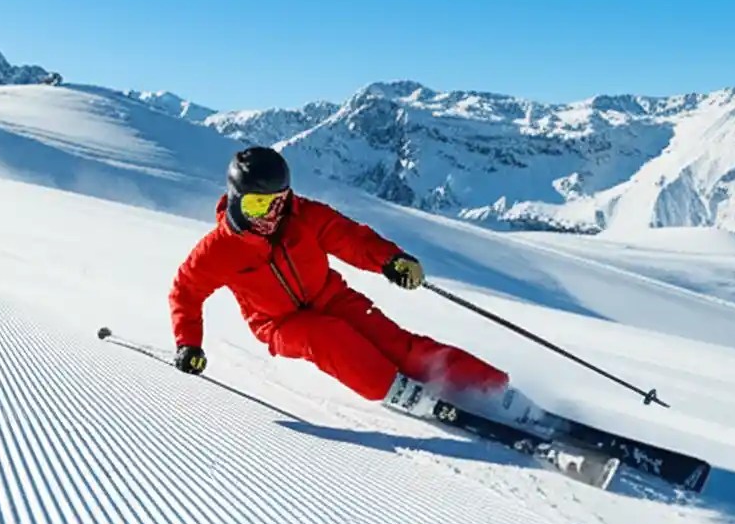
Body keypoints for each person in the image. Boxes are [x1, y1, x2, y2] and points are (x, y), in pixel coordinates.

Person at [168, 146, 511, 418]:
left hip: (331, 297)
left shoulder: (303, 215)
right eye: (259, 205)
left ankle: (496, 390)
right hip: (280, 324)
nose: (272, 214)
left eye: (279, 201)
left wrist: (391, 261)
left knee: (400, 345)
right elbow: (185, 293)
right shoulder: (218, 250)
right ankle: (393, 388)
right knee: (325, 335)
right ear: (236, 199)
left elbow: (350, 238)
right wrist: (189, 343)